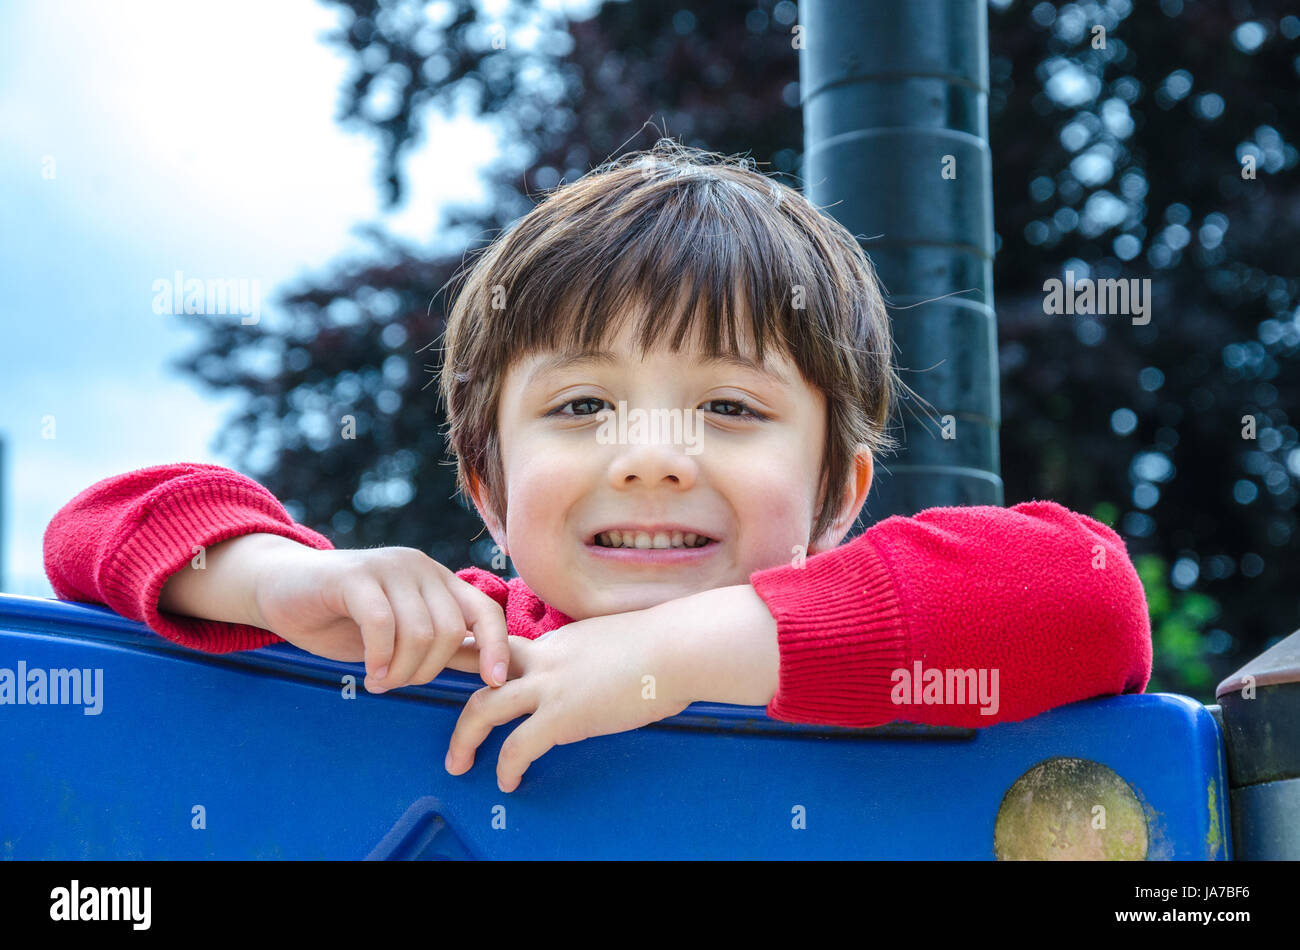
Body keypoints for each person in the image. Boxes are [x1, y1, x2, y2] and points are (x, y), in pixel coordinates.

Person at [43, 140, 1152, 793]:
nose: (654, 457)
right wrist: (283, 580)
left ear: (835, 497)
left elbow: (1090, 594)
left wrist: (674, 654)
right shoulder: (468, 647)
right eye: (581, 405)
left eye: (728, 405)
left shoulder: (897, 656)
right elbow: (93, 527)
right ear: (487, 488)